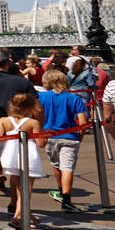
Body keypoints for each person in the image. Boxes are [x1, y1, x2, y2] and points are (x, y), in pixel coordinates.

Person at [0, 49, 40, 213]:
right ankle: (14, 202)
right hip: (17, 130)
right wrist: (37, 127)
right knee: (17, 169)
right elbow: (38, 109)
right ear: (9, 63)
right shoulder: (21, 83)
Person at [0, 92, 45, 230]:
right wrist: (46, 135)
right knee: (27, 189)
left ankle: (28, 215)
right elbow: (41, 144)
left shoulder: (4, 120)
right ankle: (18, 217)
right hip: (28, 156)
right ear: (30, 108)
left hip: (10, 156)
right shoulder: (33, 122)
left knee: (20, 189)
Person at [38, 68, 88, 211]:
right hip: (69, 136)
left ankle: (61, 190)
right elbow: (83, 122)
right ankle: (66, 199)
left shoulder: (41, 97)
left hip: (49, 136)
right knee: (68, 167)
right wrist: (81, 136)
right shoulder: (74, 98)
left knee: (56, 164)